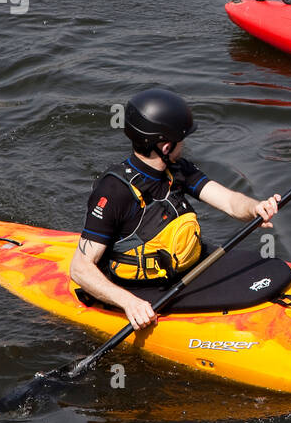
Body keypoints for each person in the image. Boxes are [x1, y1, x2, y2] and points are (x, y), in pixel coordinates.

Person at [70, 88, 280, 331]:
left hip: (188, 267)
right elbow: (80, 268)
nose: (185, 145)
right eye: (182, 140)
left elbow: (231, 202)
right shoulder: (114, 191)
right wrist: (129, 303)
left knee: (270, 270)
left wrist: (256, 208)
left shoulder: (179, 170)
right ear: (166, 146)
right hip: (142, 287)